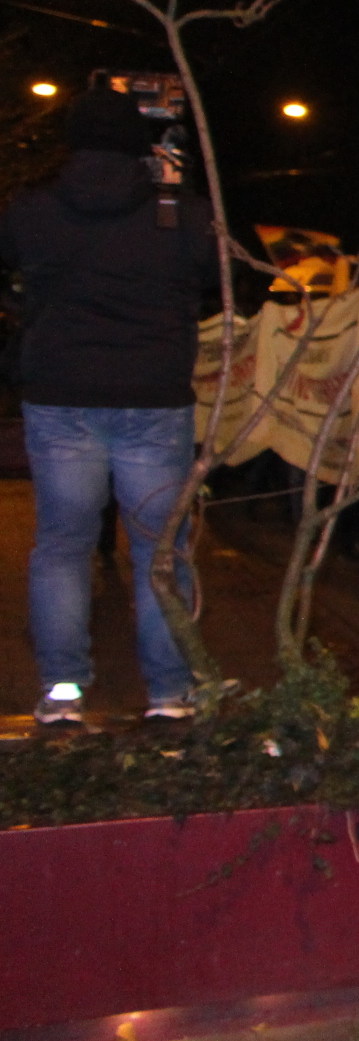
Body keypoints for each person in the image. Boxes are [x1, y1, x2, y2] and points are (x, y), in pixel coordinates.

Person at [2, 87, 219, 723]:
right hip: (153, 397)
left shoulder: (31, 209)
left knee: (62, 545)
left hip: (60, 394)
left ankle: (62, 692)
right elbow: (221, 277)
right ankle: (169, 694)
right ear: (139, 145)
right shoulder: (178, 212)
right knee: (159, 550)